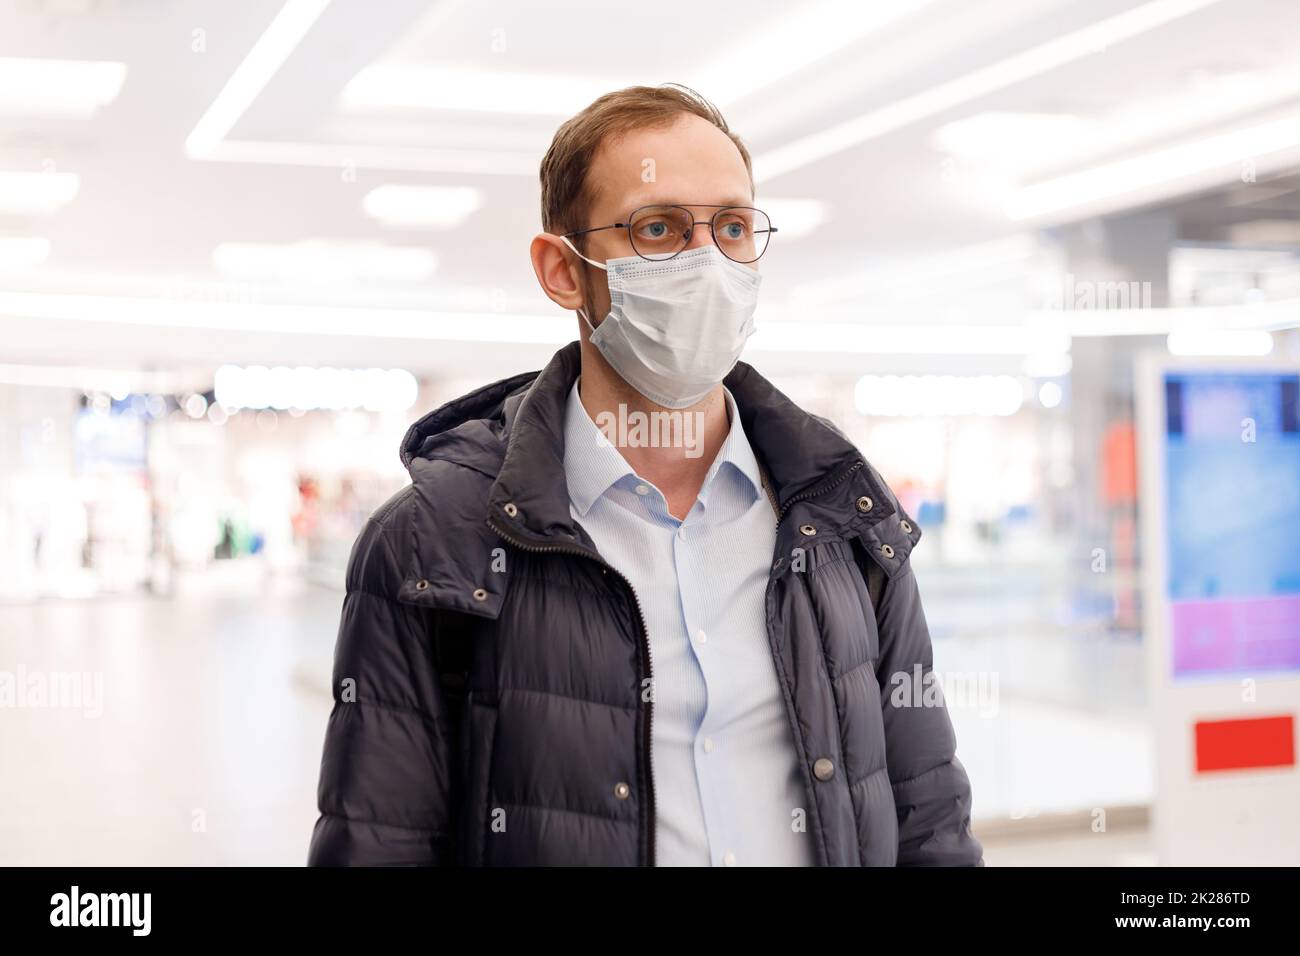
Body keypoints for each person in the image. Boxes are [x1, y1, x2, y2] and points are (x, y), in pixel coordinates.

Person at [307, 84, 982, 867]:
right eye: (658, 228)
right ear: (563, 270)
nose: (707, 263)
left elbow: (928, 815)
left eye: (731, 227)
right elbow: (378, 844)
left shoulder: (840, 513)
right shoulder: (433, 542)